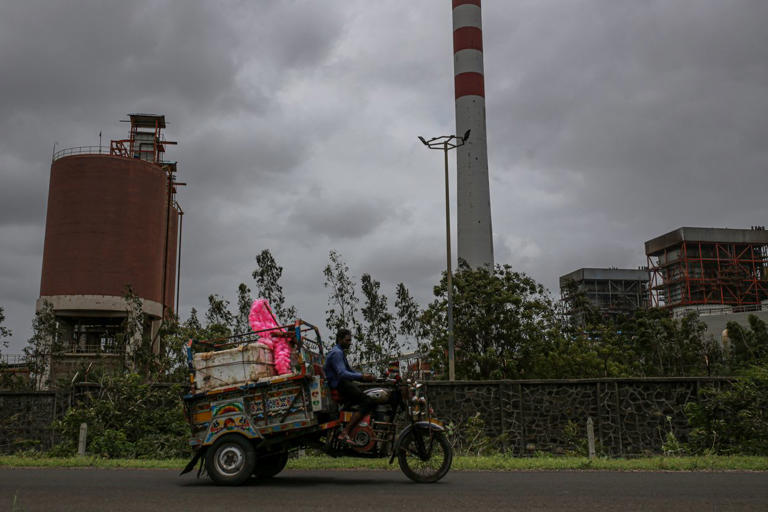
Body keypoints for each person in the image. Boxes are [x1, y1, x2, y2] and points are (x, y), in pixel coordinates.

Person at [324, 328, 375, 445]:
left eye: (350, 340)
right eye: (347, 340)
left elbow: (349, 370)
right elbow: (342, 373)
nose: (350, 343)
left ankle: (348, 426)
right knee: (368, 401)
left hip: (343, 384)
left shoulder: (339, 352)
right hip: (340, 385)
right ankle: (345, 431)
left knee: (365, 393)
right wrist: (362, 377)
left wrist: (365, 377)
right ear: (339, 339)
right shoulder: (337, 353)